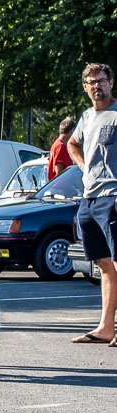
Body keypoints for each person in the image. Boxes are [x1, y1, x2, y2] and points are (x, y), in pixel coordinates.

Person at [68, 62, 117, 345]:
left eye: (101, 80)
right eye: (91, 82)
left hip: (112, 196)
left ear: (111, 82)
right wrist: (84, 166)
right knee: (103, 263)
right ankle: (106, 327)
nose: (96, 86)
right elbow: (72, 144)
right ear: (85, 87)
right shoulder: (87, 116)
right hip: (89, 197)